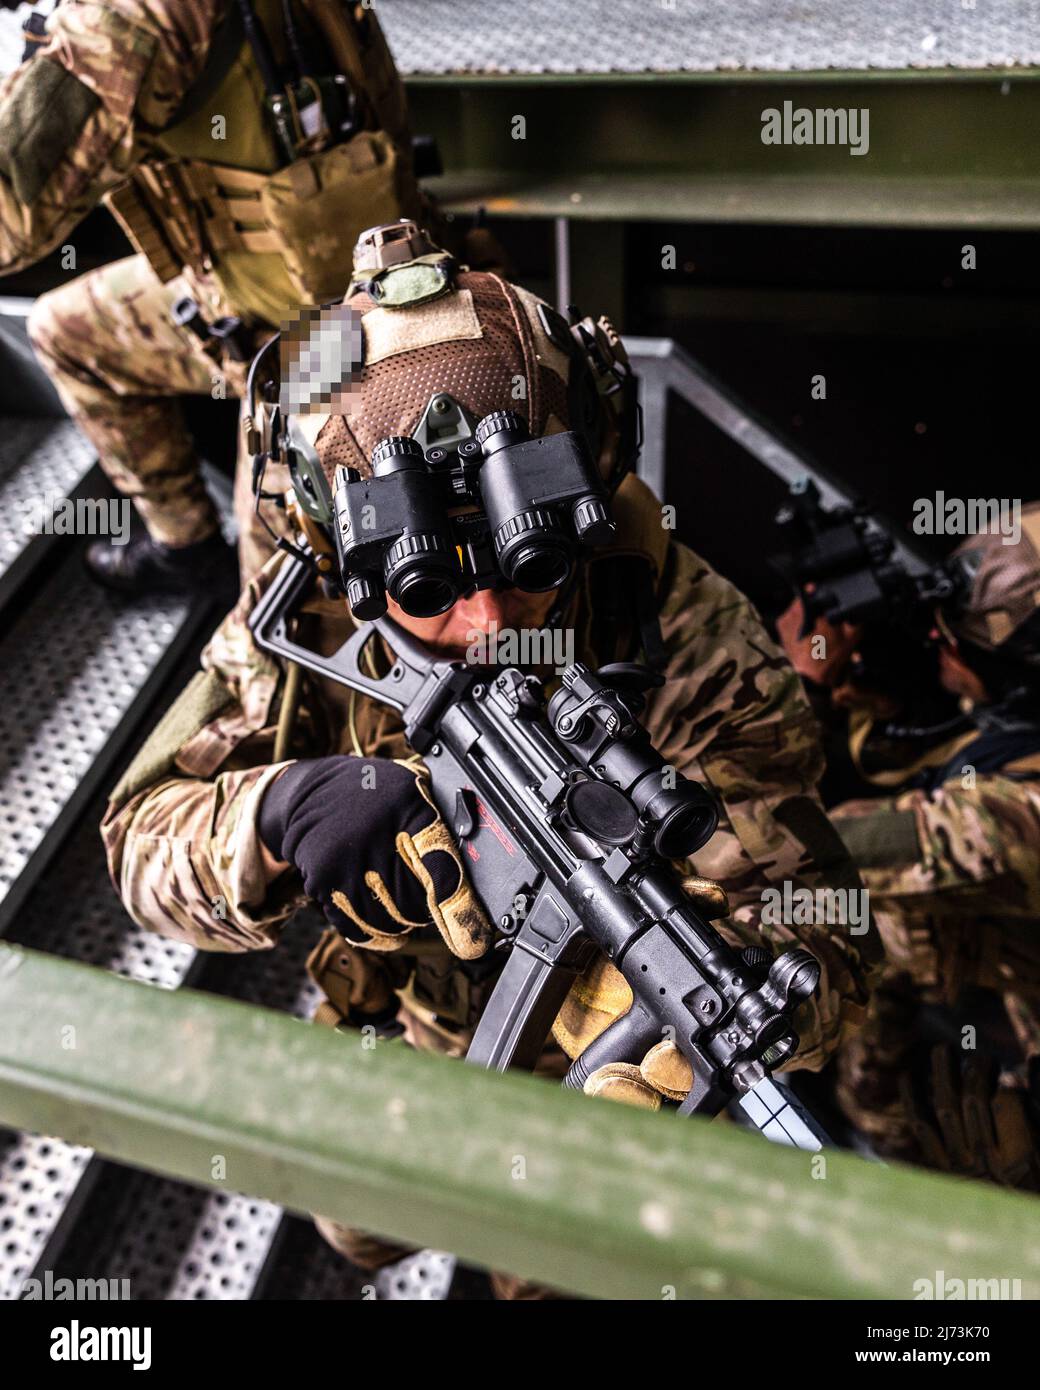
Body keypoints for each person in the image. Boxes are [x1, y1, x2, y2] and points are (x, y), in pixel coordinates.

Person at [101, 224, 880, 1292]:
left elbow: (825, 918)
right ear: (349, 560)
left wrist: (693, 1014)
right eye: (427, 587)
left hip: (601, 1064)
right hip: (422, 1027)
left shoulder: (691, 633)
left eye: (527, 566)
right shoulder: (319, 622)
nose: (483, 621)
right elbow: (135, 840)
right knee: (354, 1223)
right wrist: (275, 813)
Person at [0, 0, 427, 592]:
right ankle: (186, 544)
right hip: (321, 282)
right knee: (63, 331)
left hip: (318, 357)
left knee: (274, 629)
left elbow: (11, 218)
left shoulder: (135, 14)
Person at [777, 510, 1040, 1188]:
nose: (936, 644)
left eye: (953, 643)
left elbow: (828, 851)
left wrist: (794, 688)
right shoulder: (1015, 736)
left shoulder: (1016, 819)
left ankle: (895, 1170)